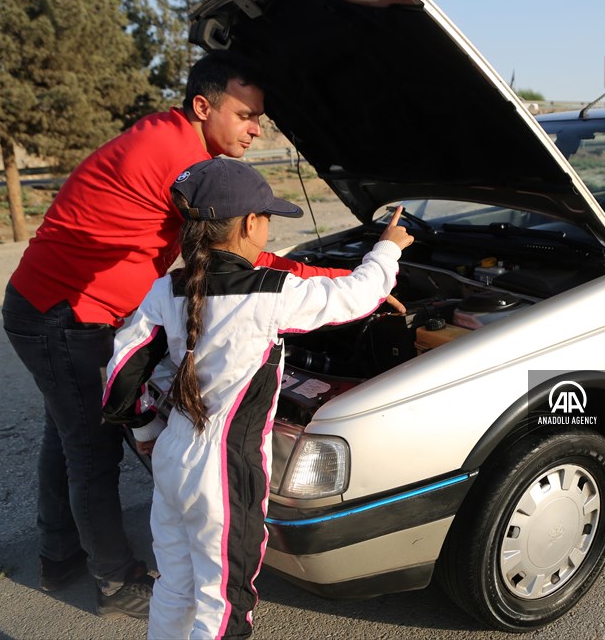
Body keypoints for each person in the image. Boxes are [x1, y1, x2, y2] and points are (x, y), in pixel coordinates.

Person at [1, 51, 352, 619]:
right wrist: (345, 276)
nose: (255, 128)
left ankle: (58, 554)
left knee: (64, 435)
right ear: (202, 106)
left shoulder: (176, 142)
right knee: (91, 450)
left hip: (50, 305)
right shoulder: (177, 158)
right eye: (245, 115)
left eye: (259, 117)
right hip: (64, 313)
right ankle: (114, 582)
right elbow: (239, 261)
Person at [101, 159, 413, 639]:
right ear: (251, 224)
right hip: (224, 472)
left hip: (172, 457)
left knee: (176, 585)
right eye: (268, 217)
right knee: (225, 602)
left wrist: (144, 430)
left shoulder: (168, 287)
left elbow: (123, 368)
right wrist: (387, 250)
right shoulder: (272, 292)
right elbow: (357, 295)